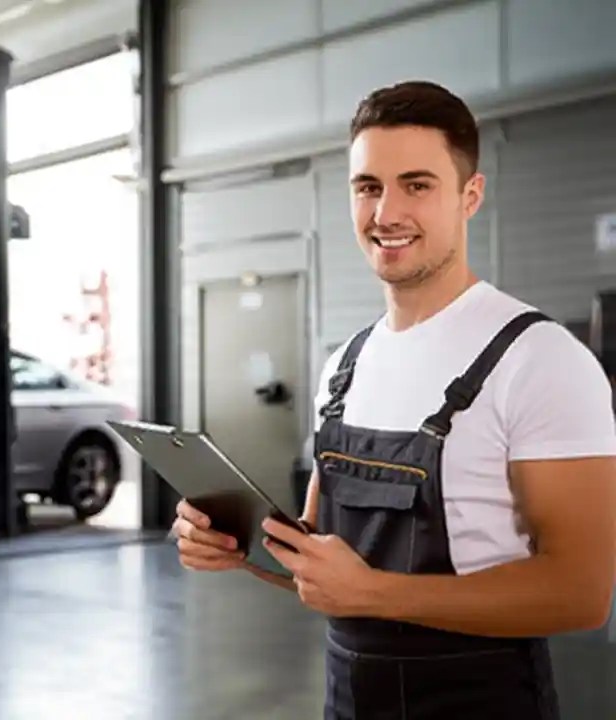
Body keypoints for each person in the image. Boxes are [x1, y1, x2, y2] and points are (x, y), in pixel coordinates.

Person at [171, 80, 616, 719]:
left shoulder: (540, 360)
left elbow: (581, 593)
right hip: (347, 703)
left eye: (417, 184)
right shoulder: (343, 368)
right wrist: (237, 550)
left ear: (471, 195)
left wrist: (377, 593)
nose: (386, 212)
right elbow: (328, 564)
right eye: (368, 186)